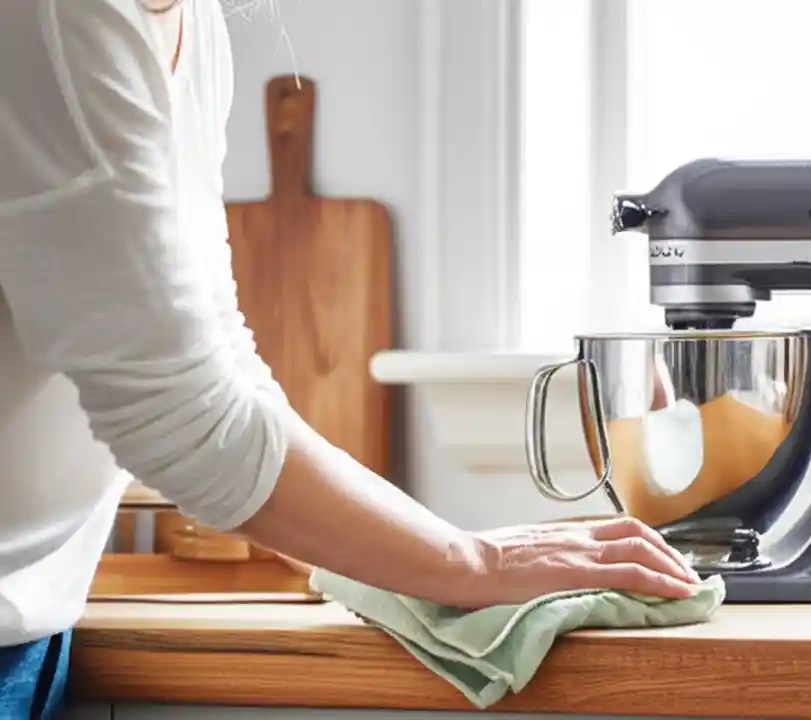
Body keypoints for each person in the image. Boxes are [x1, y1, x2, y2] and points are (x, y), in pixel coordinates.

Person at [0, 1, 700, 715]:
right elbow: (178, 411)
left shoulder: (189, 23)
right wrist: (468, 562)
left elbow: (215, 346)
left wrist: (383, 556)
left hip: (34, 624)